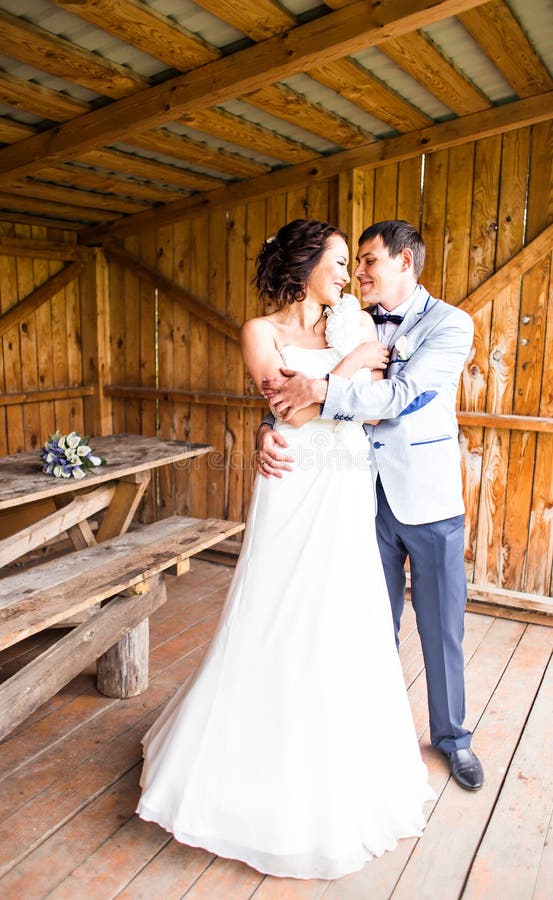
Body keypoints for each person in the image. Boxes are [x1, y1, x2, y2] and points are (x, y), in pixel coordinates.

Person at [137, 219, 434, 881]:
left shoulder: (350, 325)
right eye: (335, 261)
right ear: (302, 266)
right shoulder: (261, 332)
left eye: (351, 264)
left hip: (345, 482)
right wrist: (339, 377)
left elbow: (374, 402)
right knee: (274, 610)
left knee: (341, 612)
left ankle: (337, 763)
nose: (346, 274)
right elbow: (290, 413)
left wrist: (343, 371)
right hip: (292, 480)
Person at [259, 219, 484, 793]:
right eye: (352, 263)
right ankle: (363, 733)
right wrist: (269, 423)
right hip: (356, 493)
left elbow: (402, 398)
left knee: (441, 626)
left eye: (368, 261)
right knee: (366, 622)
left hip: (427, 495)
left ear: (405, 261)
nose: (358, 273)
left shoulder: (450, 324)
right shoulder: (350, 320)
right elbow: (292, 372)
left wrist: (324, 390)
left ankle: (453, 739)